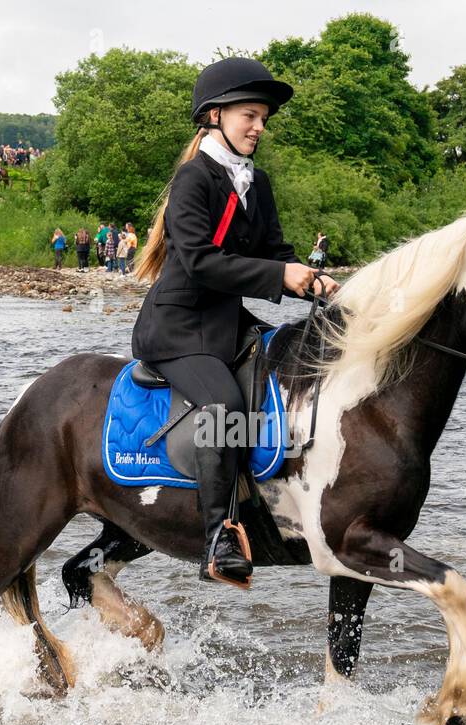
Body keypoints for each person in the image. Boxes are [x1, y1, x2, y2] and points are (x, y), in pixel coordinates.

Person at [131, 56, 338, 587]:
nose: (259, 127)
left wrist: (313, 282)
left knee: (301, 359)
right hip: (177, 326)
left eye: (263, 118)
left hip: (228, 322)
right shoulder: (192, 179)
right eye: (250, 115)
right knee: (223, 406)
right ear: (215, 115)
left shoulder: (257, 182)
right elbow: (199, 261)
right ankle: (217, 539)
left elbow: (275, 251)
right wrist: (280, 275)